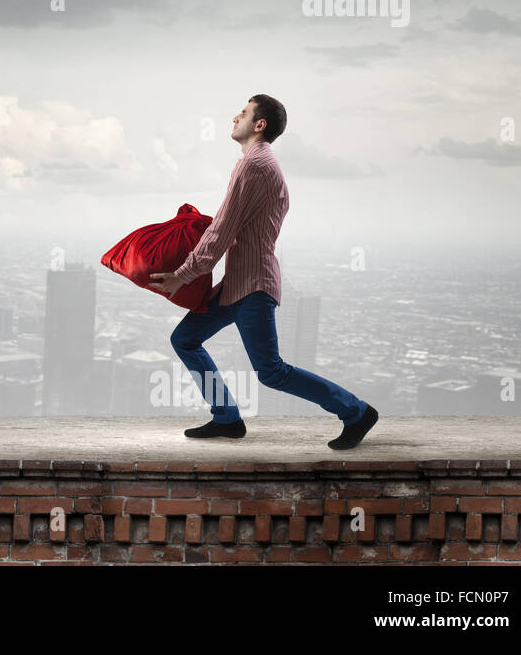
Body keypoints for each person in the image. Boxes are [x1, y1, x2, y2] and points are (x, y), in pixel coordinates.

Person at [148, 95, 379, 450]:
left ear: (260, 125)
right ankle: (226, 417)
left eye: (243, 112)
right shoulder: (259, 164)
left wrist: (184, 273)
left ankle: (356, 411)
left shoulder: (254, 166)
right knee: (185, 339)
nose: (234, 116)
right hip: (237, 286)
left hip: (253, 288)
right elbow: (233, 226)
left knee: (271, 372)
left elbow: (223, 230)